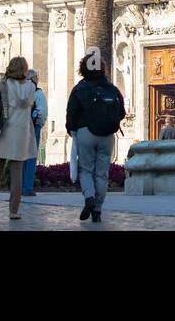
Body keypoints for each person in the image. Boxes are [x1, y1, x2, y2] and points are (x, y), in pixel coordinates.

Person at [66, 54, 126, 224]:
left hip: (86, 132)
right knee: (102, 174)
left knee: (86, 170)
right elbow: (121, 112)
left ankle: (89, 197)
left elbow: (71, 114)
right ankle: (97, 211)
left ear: (83, 68)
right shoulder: (112, 88)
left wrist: (72, 130)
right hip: (108, 135)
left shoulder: (79, 89)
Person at [0, 56, 38, 220]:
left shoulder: (2, 86)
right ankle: (13, 211)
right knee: (17, 172)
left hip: (3, 130)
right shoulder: (31, 87)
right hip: (21, 133)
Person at [22, 68, 48, 197]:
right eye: (36, 77)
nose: (38, 79)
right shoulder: (37, 93)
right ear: (32, 79)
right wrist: (39, 124)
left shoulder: (20, 92)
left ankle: (19, 187)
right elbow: (42, 112)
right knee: (31, 158)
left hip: (19, 128)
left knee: (20, 158)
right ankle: (27, 188)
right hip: (33, 127)